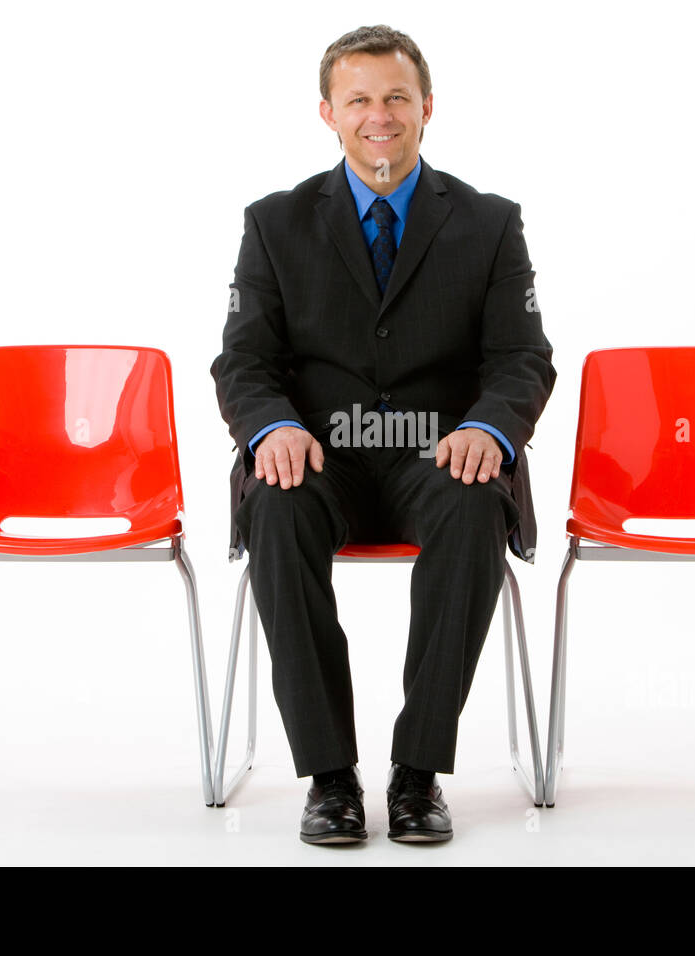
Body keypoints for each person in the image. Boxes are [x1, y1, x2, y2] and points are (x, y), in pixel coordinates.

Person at [211, 24, 555, 844]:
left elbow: (523, 357)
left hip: (437, 456)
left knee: (475, 506)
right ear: (327, 113)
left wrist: (489, 427)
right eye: (358, 99)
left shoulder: (489, 222)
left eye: (396, 97)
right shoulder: (275, 223)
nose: (379, 115)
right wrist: (271, 428)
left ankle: (417, 774)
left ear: (427, 107)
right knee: (278, 509)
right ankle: (329, 777)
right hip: (318, 457)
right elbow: (242, 362)